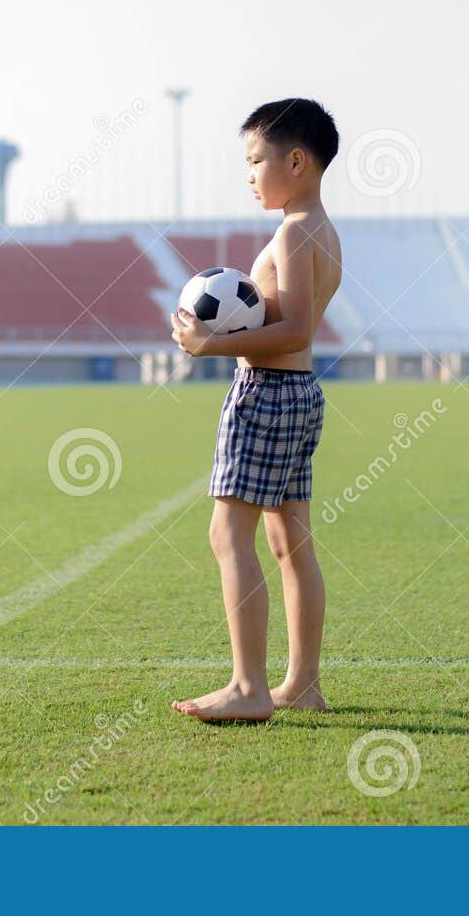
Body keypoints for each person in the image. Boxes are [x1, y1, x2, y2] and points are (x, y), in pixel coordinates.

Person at [169, 98, 343, 722]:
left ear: (295, 161)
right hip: (300, 398)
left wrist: (210, 342)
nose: (248, 174)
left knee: (226, 534)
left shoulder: (294, 233)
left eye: (256, 160)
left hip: (266, 395)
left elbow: (295, 329)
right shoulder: (324, 231)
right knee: (291, 541)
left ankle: (248, 687)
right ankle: (302, 683)